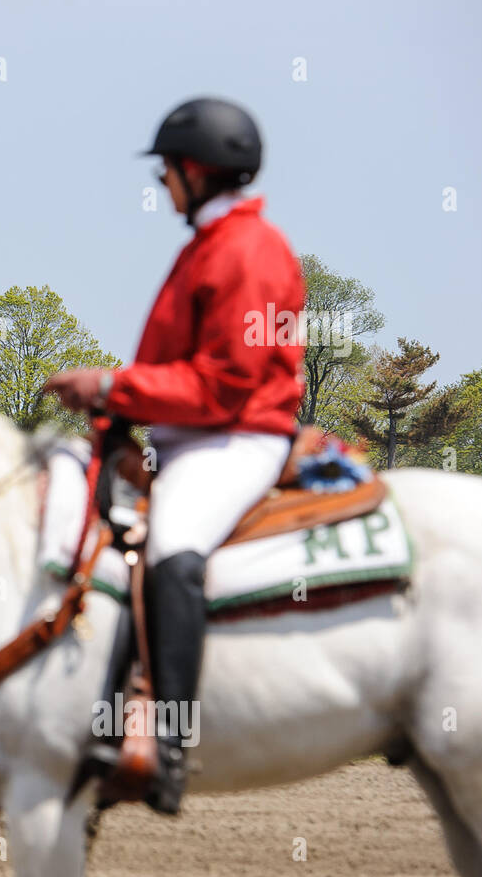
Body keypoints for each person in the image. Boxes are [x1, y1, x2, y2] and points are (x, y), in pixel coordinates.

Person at [43, 97, 306, 813]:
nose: (160, 181)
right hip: (189, 438)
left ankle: (168, 745)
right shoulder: (208, 243)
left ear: (196, 170)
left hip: (236, 437)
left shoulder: (249, 251)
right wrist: (120, 414)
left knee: (172, 552)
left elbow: (226, 384)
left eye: (167, 168)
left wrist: (111, 386)